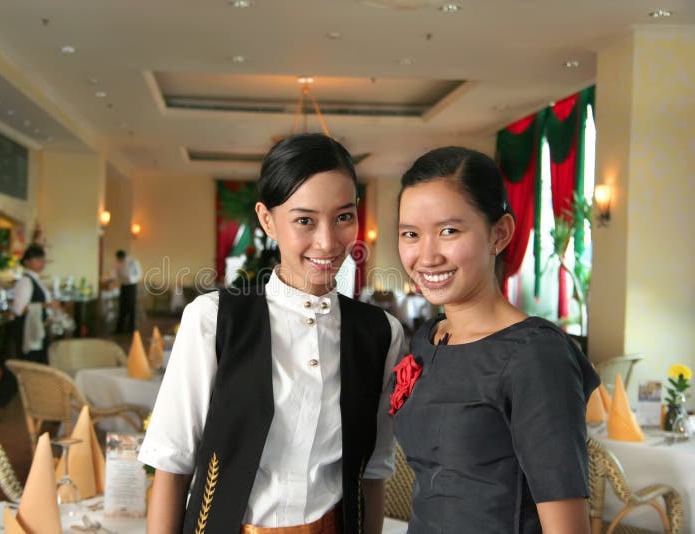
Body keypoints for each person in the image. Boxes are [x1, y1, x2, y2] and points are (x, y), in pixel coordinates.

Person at [139, 133, 404, 533]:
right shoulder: (213, 320)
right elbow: (172, 467)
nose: (328, 241)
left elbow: (373, 472)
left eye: (343, 217)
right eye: (304, 220)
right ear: (267, 220)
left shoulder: (381, 333)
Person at [392, 146, 600, 533]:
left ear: (499, 234)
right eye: (411, 234)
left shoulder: (535, 356)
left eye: (449, 231)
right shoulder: (429, 339)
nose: (427, 255)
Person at [0, 244, 58, 422]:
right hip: (27, 335)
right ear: (27, 261)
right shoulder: (25, 282)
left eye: (42, 260)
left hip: (37, 334)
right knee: (18, 373)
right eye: (37, 259)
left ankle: (48, 411)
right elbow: (18, 309)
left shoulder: (35, 280)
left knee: (42, 372)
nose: (41, 263)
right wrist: (45, 306)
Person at [110, 249, 142, 334]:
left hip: (131, 286)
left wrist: (131, 278)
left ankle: (131, 329)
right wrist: (112, 279)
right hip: (123, 286)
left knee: (131, 308)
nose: (119, 260)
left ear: (124, 256)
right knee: (122, 308)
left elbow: (139, 275)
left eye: (120, 259)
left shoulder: (133, 262)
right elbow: (115, 273)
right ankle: (119, 329)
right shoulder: (118, 263)